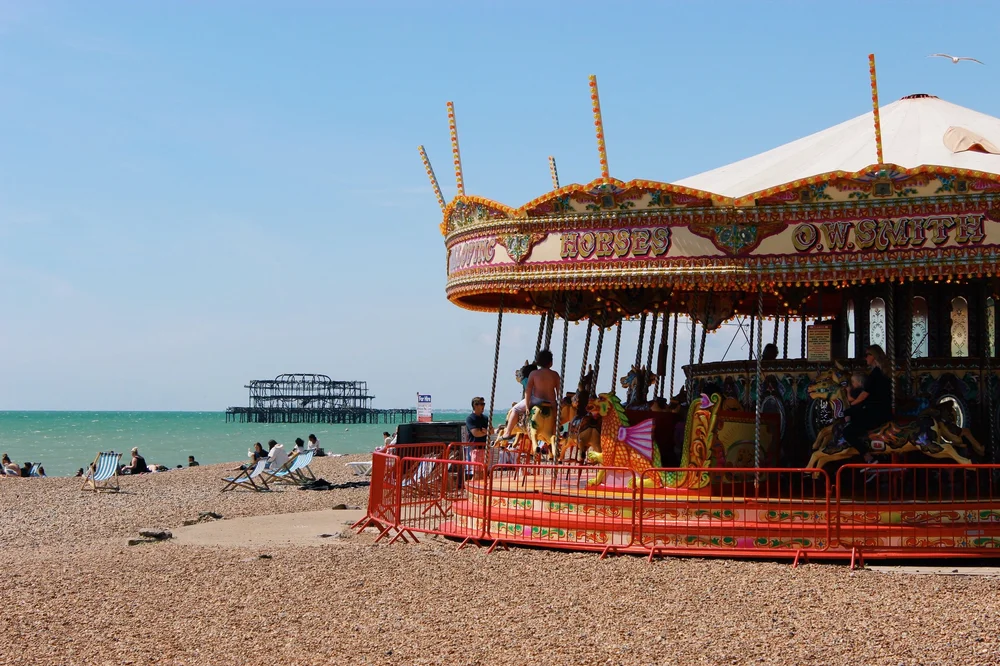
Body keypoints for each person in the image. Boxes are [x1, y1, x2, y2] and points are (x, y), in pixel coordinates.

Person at [840, 344, 893, 459]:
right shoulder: (880, 373)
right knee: (851, 413)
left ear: (873, 356)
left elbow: (865, 394)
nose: (865, 358)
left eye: (867, 355)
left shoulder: (876, 374)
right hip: (880, 409)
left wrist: (852, 404)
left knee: (847, 432)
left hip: (877, 412)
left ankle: (867, 457)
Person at [501, 349, 561, 440]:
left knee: (515, 409)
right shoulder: (555, 374)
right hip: (551, 401)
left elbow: (528, 390)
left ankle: (508, 432)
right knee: (556, 416)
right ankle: (555, 431)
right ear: (551, 363)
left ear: (539, 363)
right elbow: (559, 391)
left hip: (536, 399)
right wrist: (557, 405)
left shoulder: (534, 373)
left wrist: (528, 405)